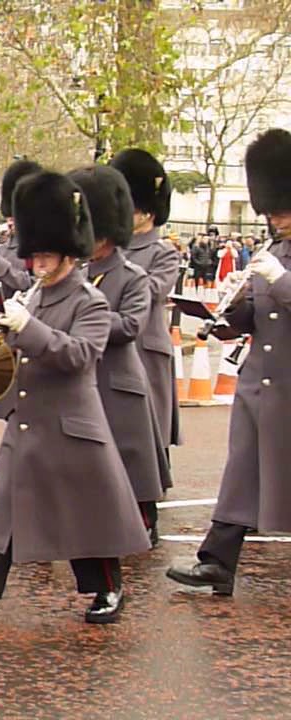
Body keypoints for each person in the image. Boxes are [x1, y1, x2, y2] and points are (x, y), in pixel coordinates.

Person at [0, 170, 151, 625]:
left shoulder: (89, 301)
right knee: (4, 509)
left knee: (86, 513)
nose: (38, 264)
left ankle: (107, 587)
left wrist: (26, 328)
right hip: (28, 421)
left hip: (71, 426)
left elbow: (79, 356)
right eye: (35, 257)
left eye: (47, 256)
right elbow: (21, 351)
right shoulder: (33, 296)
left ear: (68, 254)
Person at [167, 129, 291, 595]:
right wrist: (227, 313)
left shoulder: (277, 262)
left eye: (282, 211)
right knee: (242, 470)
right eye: (272, 212)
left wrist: (280, 281)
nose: (276, 220)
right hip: (261, 381)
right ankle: (217, 561)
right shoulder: (273, 252)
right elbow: (257, 317)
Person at [70, 165, 171, 546]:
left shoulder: (132, 276)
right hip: (86, 374)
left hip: (118, 377)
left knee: (134, 458)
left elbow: (130, 325)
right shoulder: (79, 272)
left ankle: (145, 520)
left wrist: (85, 320)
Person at [111, 149, 181, 461]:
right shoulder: (114, 250)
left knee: (151, 427)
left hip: (146, 346)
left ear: (148, 212)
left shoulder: (163, 252)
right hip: (116, 346)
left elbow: (150, 290)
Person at [0, 159, 43, 296]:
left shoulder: (41, 248)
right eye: (9, 217)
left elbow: (35, 284)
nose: (10, 222)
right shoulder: (0, 247)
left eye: (14, 217)